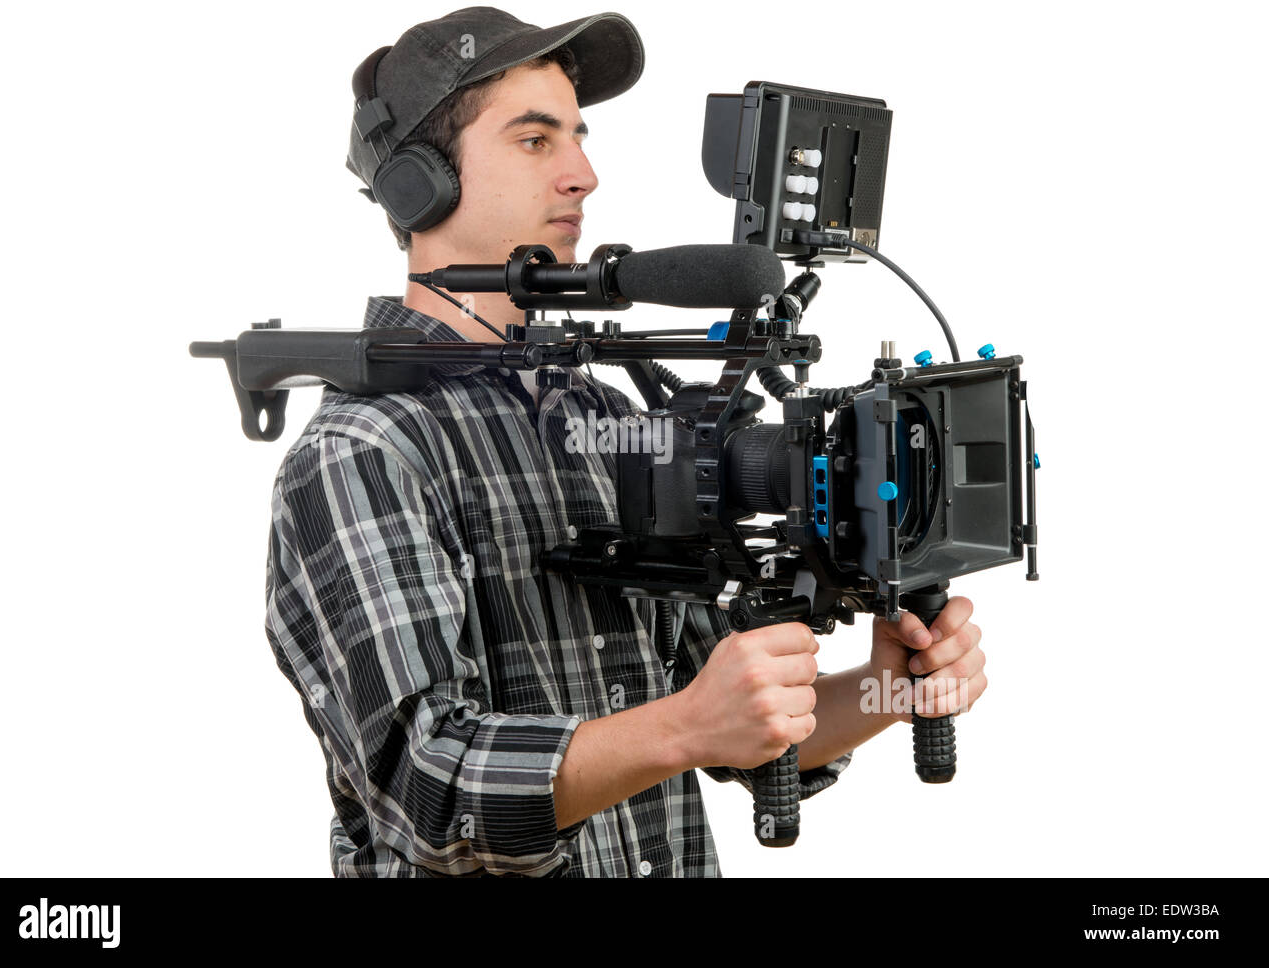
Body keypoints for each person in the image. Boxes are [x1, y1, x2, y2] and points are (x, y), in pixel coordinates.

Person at [264, 6, 988, 877]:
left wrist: (887, 695)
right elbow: (429, 790)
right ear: (417, 186)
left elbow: (730, 733)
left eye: (579, 137)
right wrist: (684, 725)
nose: (583, 175)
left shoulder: (602, 412)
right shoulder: (365, 451)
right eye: (535, 141)